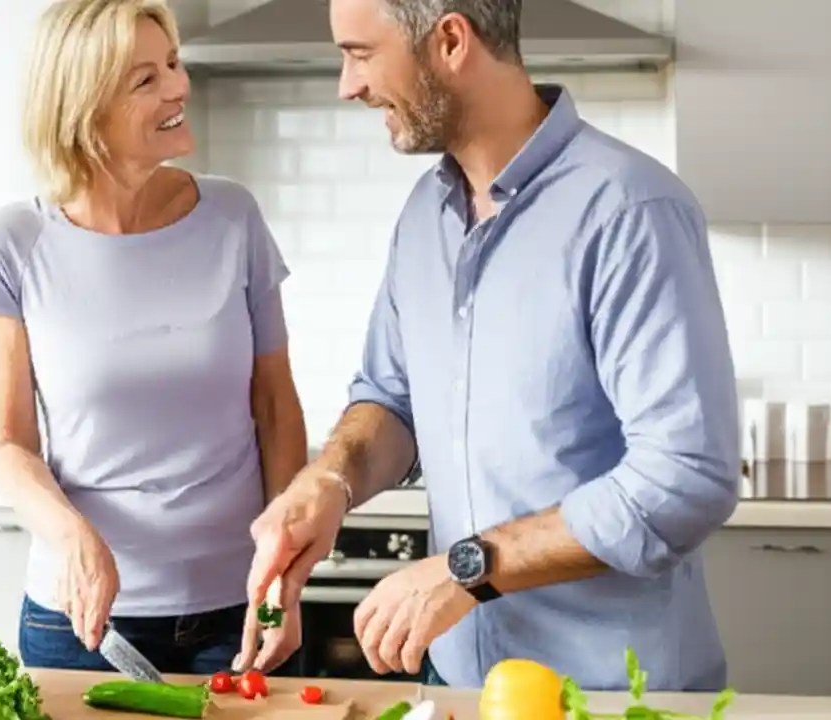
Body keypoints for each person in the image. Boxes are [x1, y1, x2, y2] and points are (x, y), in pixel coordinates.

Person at [238, 0, 740, 692]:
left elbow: (685, 477)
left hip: (611, 696)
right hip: (464, 687)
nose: (347, 85)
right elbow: (391, 400)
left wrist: (466, 567)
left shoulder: (630, 210)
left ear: (450, 41)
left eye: (359, 52)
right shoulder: (424, 216)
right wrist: (331, 480)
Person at [0, 0, 307, 675]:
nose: (179, 86)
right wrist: (73, 539)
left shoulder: (232, 218)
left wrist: (284, 569)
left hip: (239, 609)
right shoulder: (12, 243)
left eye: (173, 63)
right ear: (83, 107)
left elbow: (276, 407)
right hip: (83, 623)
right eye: (144, 79)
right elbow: (7, 443)